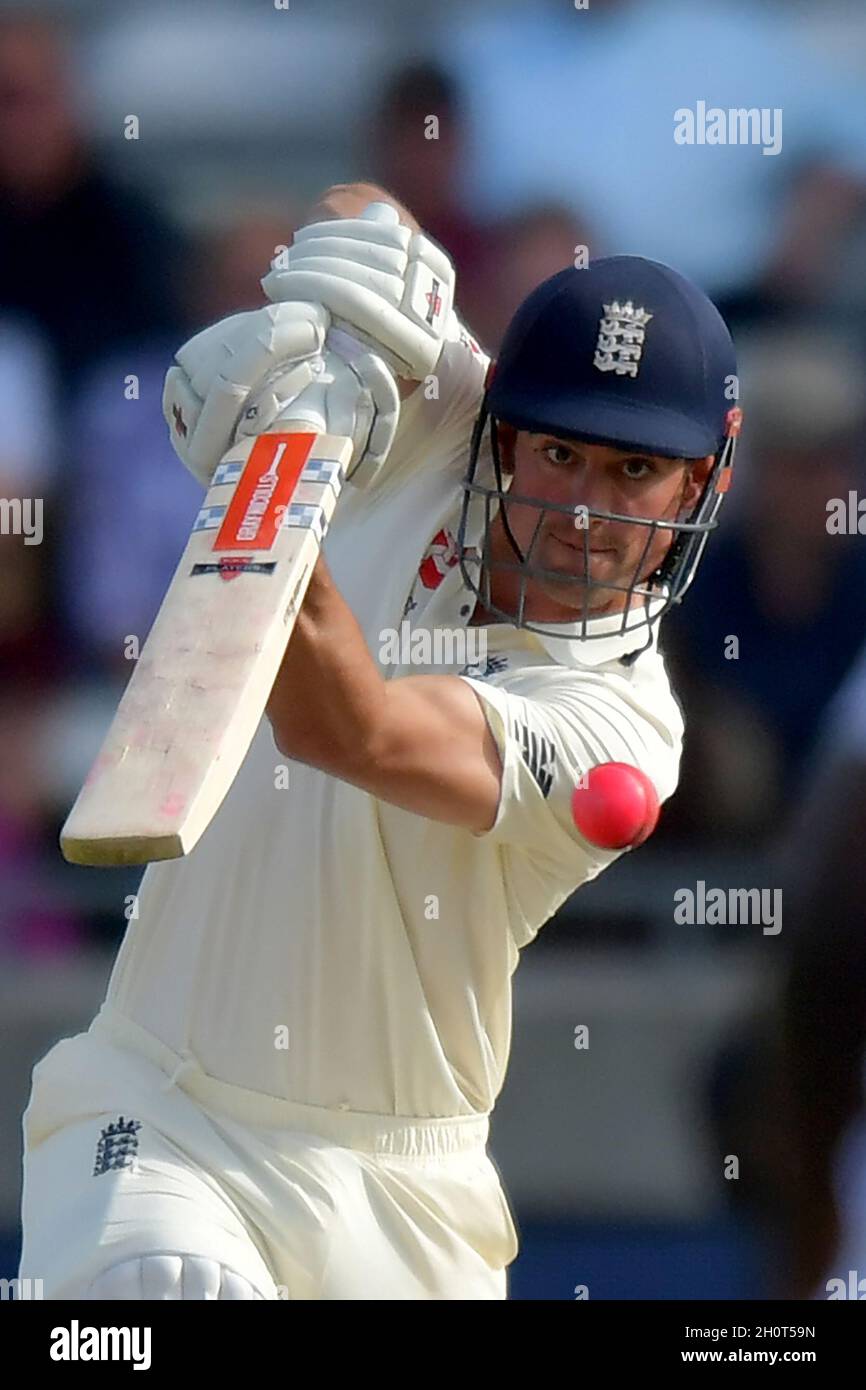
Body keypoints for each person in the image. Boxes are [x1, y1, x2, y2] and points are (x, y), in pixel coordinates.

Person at [19, 184, 742, 1300]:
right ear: (501, 423)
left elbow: (340, 724)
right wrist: (340, 321)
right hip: (165, 1112)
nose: (584, 509)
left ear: (706, 478)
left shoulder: (623, 733)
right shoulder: (442, 413)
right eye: (557, 454)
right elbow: (363, 210)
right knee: (158, 1285)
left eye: (633, 472)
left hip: (407, 1201)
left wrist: (263, 473)